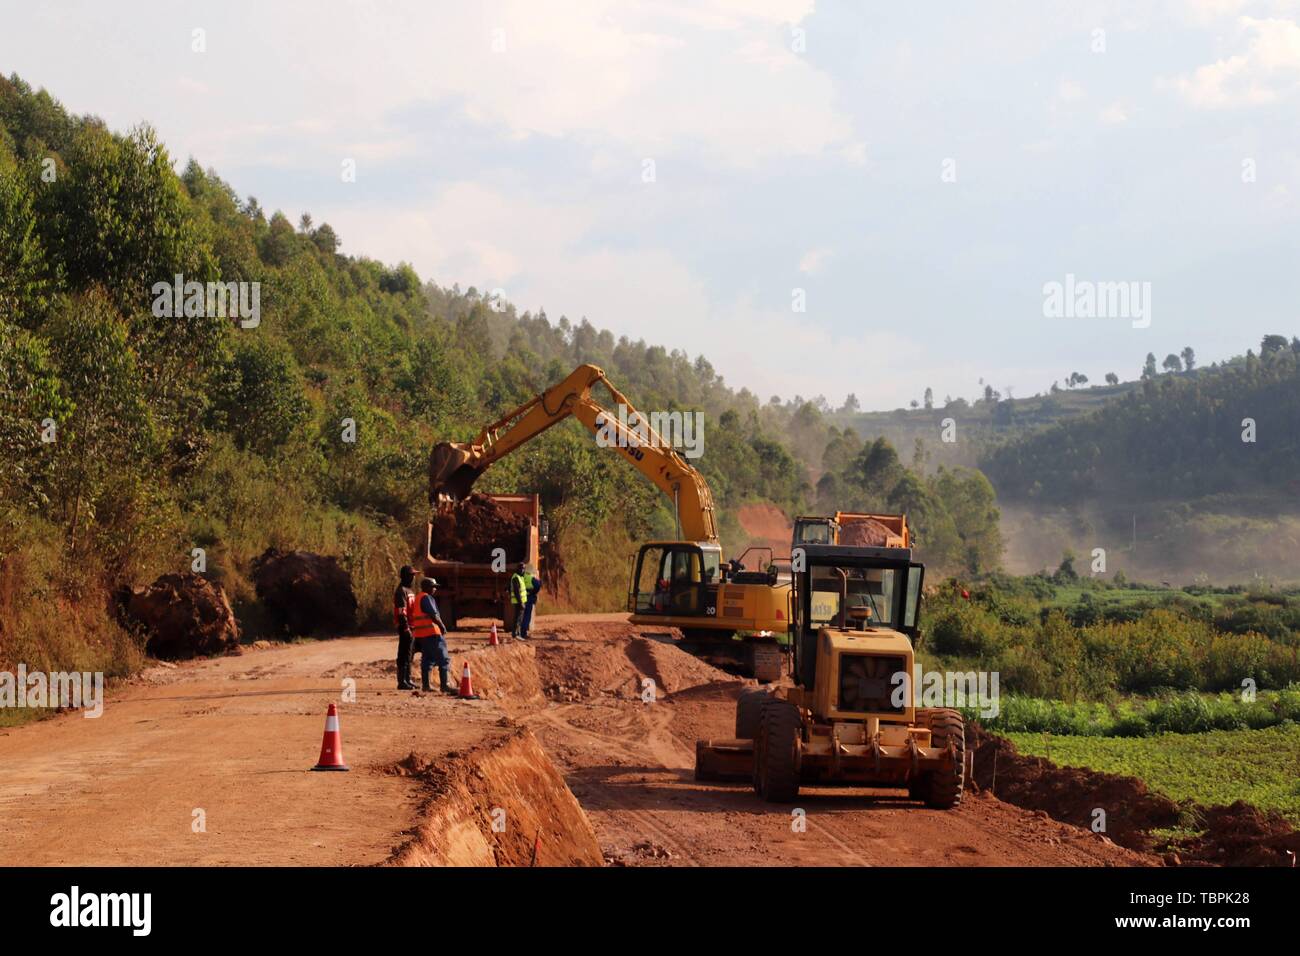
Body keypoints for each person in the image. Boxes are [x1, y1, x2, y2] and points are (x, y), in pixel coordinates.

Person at [412, 577, 453, 694]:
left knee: (427, 659)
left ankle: (426, 685)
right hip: (433, 633)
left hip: (423, 634)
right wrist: (442, 626)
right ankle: (445, 685)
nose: (435, 589)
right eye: (433, 587)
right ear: (428, 587)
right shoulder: (426, 597)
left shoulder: (418, 597)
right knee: (443, 659)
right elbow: (433, 614)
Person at [393, 565, 417, 690]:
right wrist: (406, 628)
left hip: (412, 626)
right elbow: (402, 612)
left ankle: (408, 679)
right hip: (405, 627)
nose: (414, 578)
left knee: (409, 654)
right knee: (403, 654)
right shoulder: (401, 591)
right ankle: (402, 681)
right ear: (405, 576)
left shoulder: (409, 590)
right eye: (411, 575)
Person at [509, 562, 530, 639]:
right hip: (518, 602)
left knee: (519, 618)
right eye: (521, 568)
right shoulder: (516, 578)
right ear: (517, 569)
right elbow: (516, 591)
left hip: (520, 601)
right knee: (517, 618)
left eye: (523, 568)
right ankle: (515, 634)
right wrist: (521, 602)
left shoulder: (520, 577)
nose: (522, 570)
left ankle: (517, 633)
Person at [520, 568, 541, 639]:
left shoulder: (520, 577)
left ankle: (516, 632)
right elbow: (538, 585)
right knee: (526, 616)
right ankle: (523, 633)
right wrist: (533, 592)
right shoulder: (531, 578)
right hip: (528, 599)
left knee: (518, 616)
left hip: (520, 599)